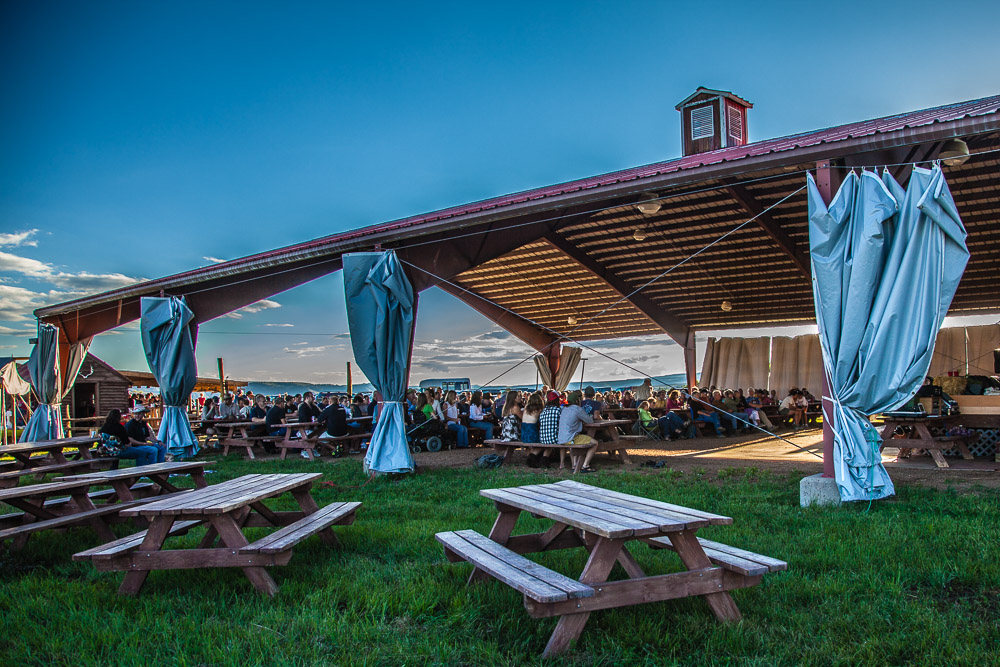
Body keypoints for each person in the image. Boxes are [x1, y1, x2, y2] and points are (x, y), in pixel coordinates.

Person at [99, 409, 163, 466]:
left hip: (105, 450)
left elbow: (100, 440)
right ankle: (142, 472)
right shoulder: (120, 427)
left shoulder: (103, 427)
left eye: (139, 414)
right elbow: (127, 442)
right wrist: (144, 444)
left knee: (159, 448)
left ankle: (159, 467)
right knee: (142, 453)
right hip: (118, 451)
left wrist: (157, 441)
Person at [557, 390, 598, 472]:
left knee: (576, 440)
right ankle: (585, 465)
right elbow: (590, 421)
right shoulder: (577, 409)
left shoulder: (564, 409)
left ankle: (574, 465)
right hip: (570, 438)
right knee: (595, 443)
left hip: (561, 438)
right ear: (577, 400)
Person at [528, 391, 563, 468]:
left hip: (542, 437)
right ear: (557, 400)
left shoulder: (543, 411)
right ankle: (544, 461)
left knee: (545, 444)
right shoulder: (558, 410)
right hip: (553, 438)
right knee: (549, 444)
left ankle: (532, 457)